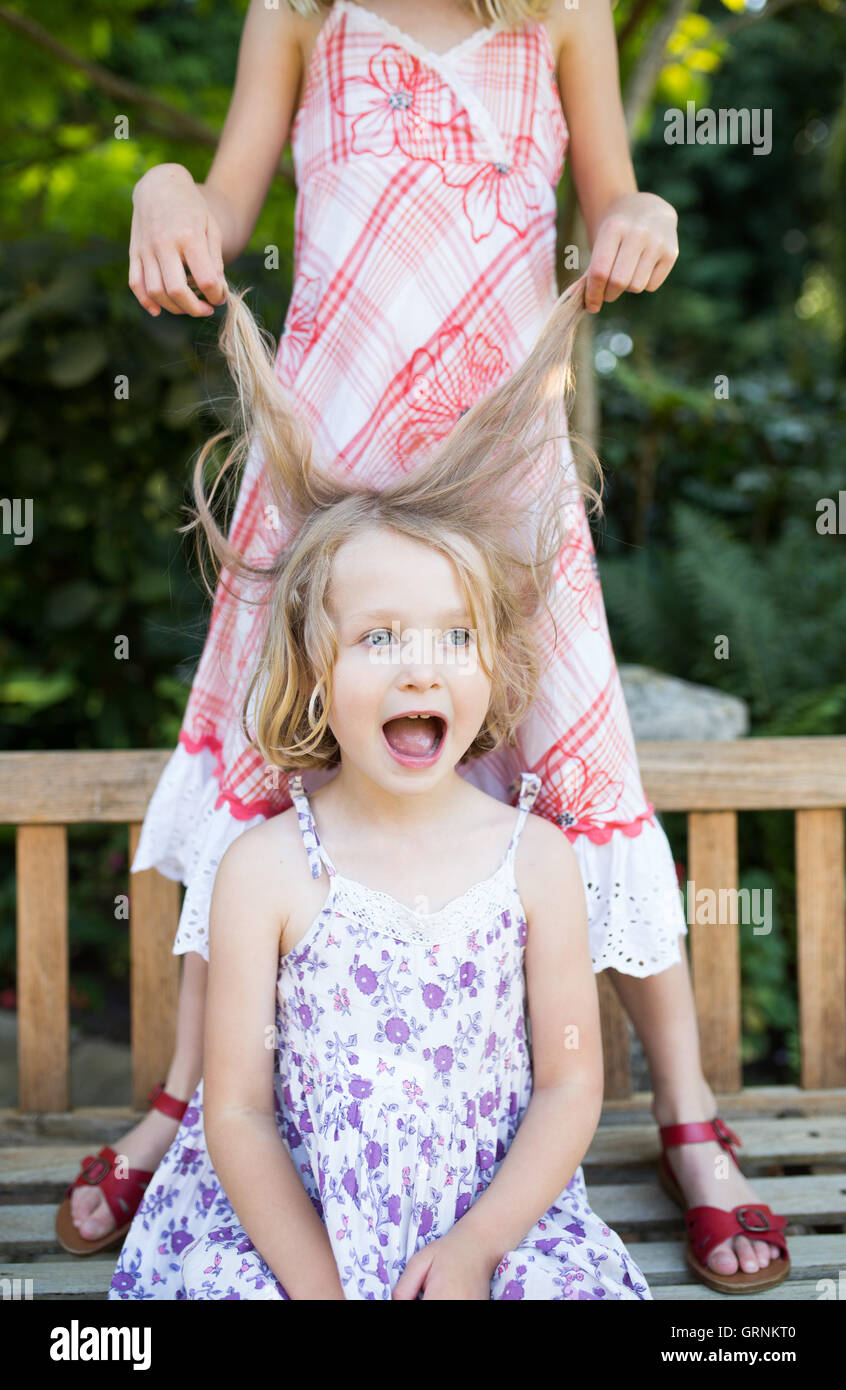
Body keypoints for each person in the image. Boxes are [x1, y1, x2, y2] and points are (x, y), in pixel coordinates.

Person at [61, 0, 790, 1293]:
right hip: (332, 445)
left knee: (577, 756)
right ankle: (187, 1101)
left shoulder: (558, 13)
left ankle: (689, 1119)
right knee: (263, 746)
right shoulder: (296, 12)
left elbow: (617, 202)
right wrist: (169, 185)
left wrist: (643, 219)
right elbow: (225, 208)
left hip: (500, 457)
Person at [109, 272, 650, 1299]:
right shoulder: (264, 870)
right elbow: (237, 1113)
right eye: (380, 636)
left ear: (493, 669)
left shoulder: (536, 858)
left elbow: (572, 1080)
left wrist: (481, 1245)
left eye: (456, 636)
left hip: (487, 1218)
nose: (421, 666)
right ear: (314, 676)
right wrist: (320, 1287)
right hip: (293, 1221)